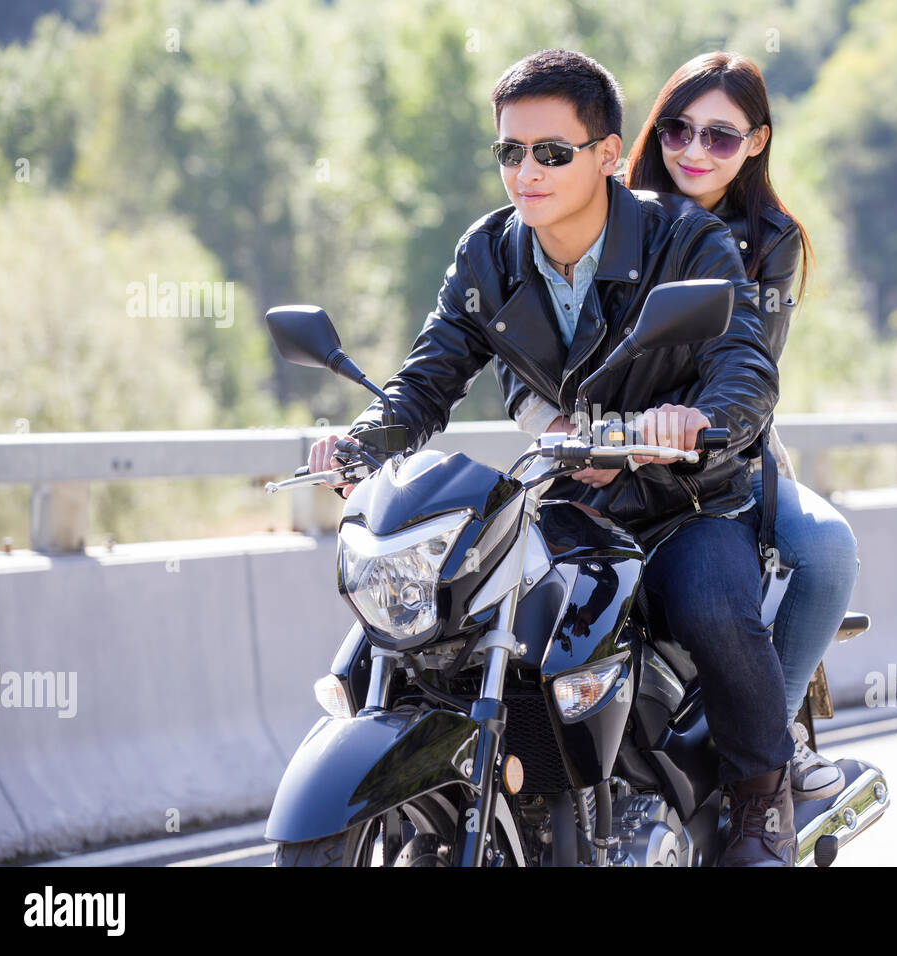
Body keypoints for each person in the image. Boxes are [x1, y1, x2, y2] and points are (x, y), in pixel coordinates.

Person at [308, 49, 797, 865]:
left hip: (687, 502)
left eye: (551, 152)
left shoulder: (688, 240)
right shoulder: (488, 254)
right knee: (432, 623)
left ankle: (760, 803)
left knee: (713, 604)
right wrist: (364, 440)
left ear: (607, 155)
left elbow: (746, 367)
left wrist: (694, 421)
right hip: (571, 500)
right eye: (510, 151)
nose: (525, 172)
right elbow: (429, 377)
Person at [503, 51, 861, 803]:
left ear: (757, 143)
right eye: (678, 130)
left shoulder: (767, 236)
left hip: (714, 451)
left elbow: (743, 371)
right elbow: (519, 344)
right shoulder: (601, 208)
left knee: (825, 547)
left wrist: (658, 434)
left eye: (721, 138)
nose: (695, 151)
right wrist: (568, 425)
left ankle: (774, 733)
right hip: (590, 449)